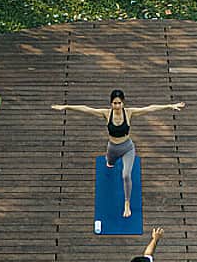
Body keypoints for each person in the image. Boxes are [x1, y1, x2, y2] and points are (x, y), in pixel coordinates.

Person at [51, 89, 185, 219]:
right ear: (111, 103)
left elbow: (150, 108)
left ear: (123, 103)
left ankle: (127, 203)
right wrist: (66, 107)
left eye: (119, 103)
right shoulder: (106, 113)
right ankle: (110, 162)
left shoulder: (129, 113)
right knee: (109, 163)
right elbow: (86, 109)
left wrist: (169, 106)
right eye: (114, 103)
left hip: (127, 148)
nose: (117, 106)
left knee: (126, 175)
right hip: (112, 148)